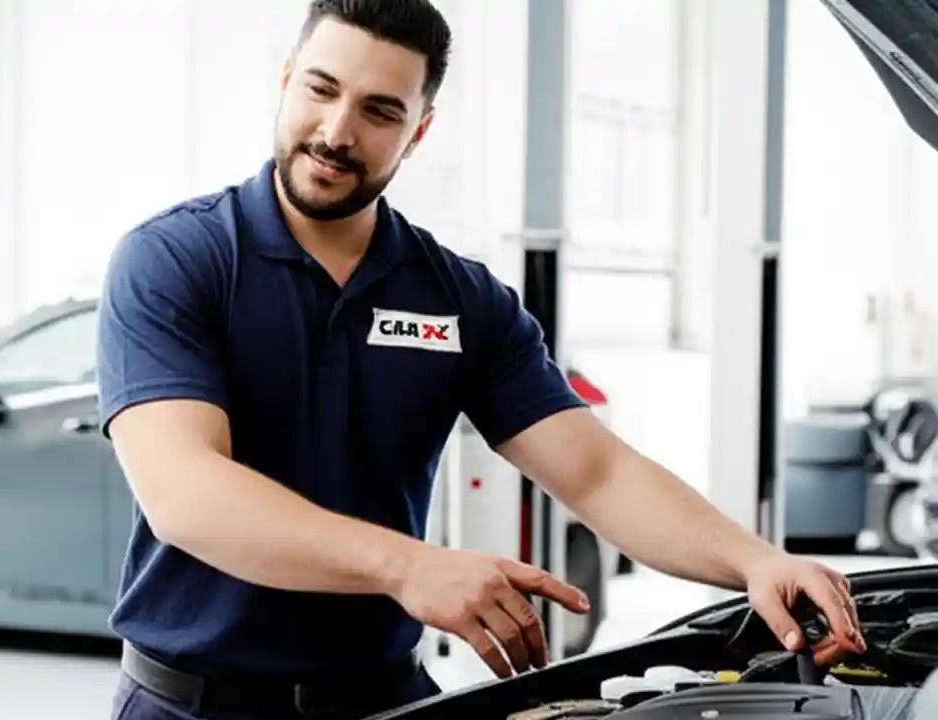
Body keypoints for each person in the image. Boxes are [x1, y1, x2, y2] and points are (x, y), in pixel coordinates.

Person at [97, 0, 865, 717]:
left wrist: (754, 560)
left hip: (383, 699)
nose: (336, 131)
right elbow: (187, 495)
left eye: (379, 111)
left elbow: (597, 472)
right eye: (321, 90)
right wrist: (409, 567)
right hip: (191, 703)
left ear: (419, 130)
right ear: (286, 79)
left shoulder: (459, 300)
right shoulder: (177, 260)